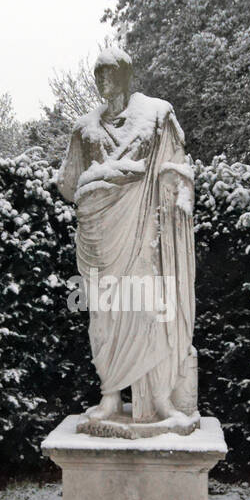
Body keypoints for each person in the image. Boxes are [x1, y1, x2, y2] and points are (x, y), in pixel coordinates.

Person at [58, 45, 198, 432]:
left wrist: (183, 195)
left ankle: (159, 399)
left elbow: (178, 165)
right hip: (100, 235)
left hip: (142, 234)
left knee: (148, 310)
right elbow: (67, 185)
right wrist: (99, 179)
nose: (103, 79)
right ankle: (109, 397)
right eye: (97, 73)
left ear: (125, 75)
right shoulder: (84, 128)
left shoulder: (156, 113)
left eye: (110, 72)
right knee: (105, 317)